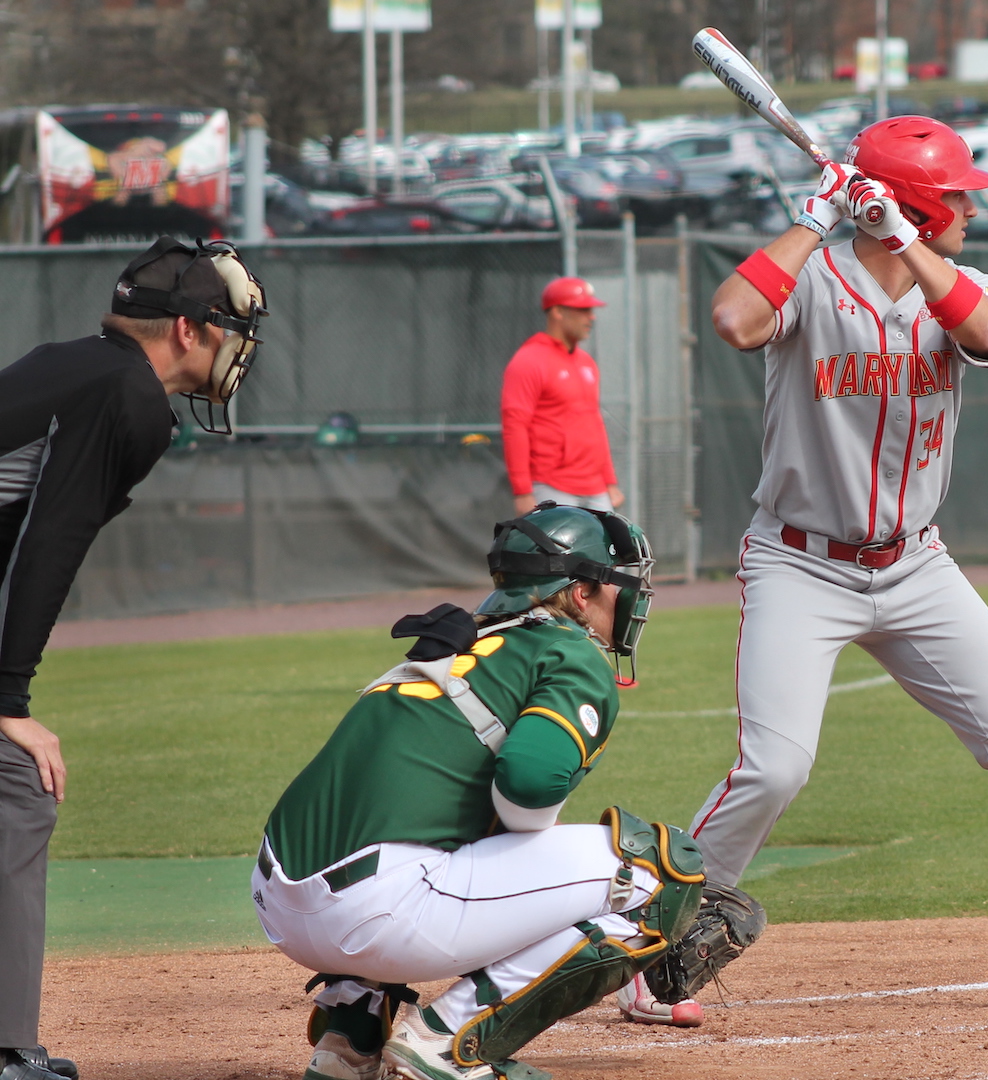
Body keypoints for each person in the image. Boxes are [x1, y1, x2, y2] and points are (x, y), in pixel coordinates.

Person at [675, 116, 988, 1019]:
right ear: (924, 202)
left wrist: (906, 239)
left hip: (918, 568)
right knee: (773, 770)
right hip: (799, 566)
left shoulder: (960, 282)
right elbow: (733, 319)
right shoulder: (809, 277)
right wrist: (817, 217)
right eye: (954, 195)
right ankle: (658, 946)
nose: (969, 207)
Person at [253, 504, 756, 1080]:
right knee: (658, 874)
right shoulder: (567, 652)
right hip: (377, 910)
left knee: (436, 828)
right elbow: (527, 791)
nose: (631, 599)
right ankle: (446, 1043)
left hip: (281, 900)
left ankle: (352, 1030)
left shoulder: (459, 637)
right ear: (581, 592)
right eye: (618, 584)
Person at [0, 238, 266, 1080]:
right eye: (228, 333)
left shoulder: (72, 364)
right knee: (18, 788)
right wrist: (9, 701)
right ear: (187, 329)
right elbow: (47, 542)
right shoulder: (131, 398)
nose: (234, 352)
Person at [501, 278, 624, 516]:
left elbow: (594, 423)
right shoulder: (528, 361)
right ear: (557, 312)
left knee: (606, 552)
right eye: (582, 310)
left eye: (591, 310)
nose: (592, 317)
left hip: (595, 487)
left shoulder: (586, 362)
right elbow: (514, 426)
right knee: (559, 554)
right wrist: (523, 491)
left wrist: (609, 481)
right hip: (551, 487)